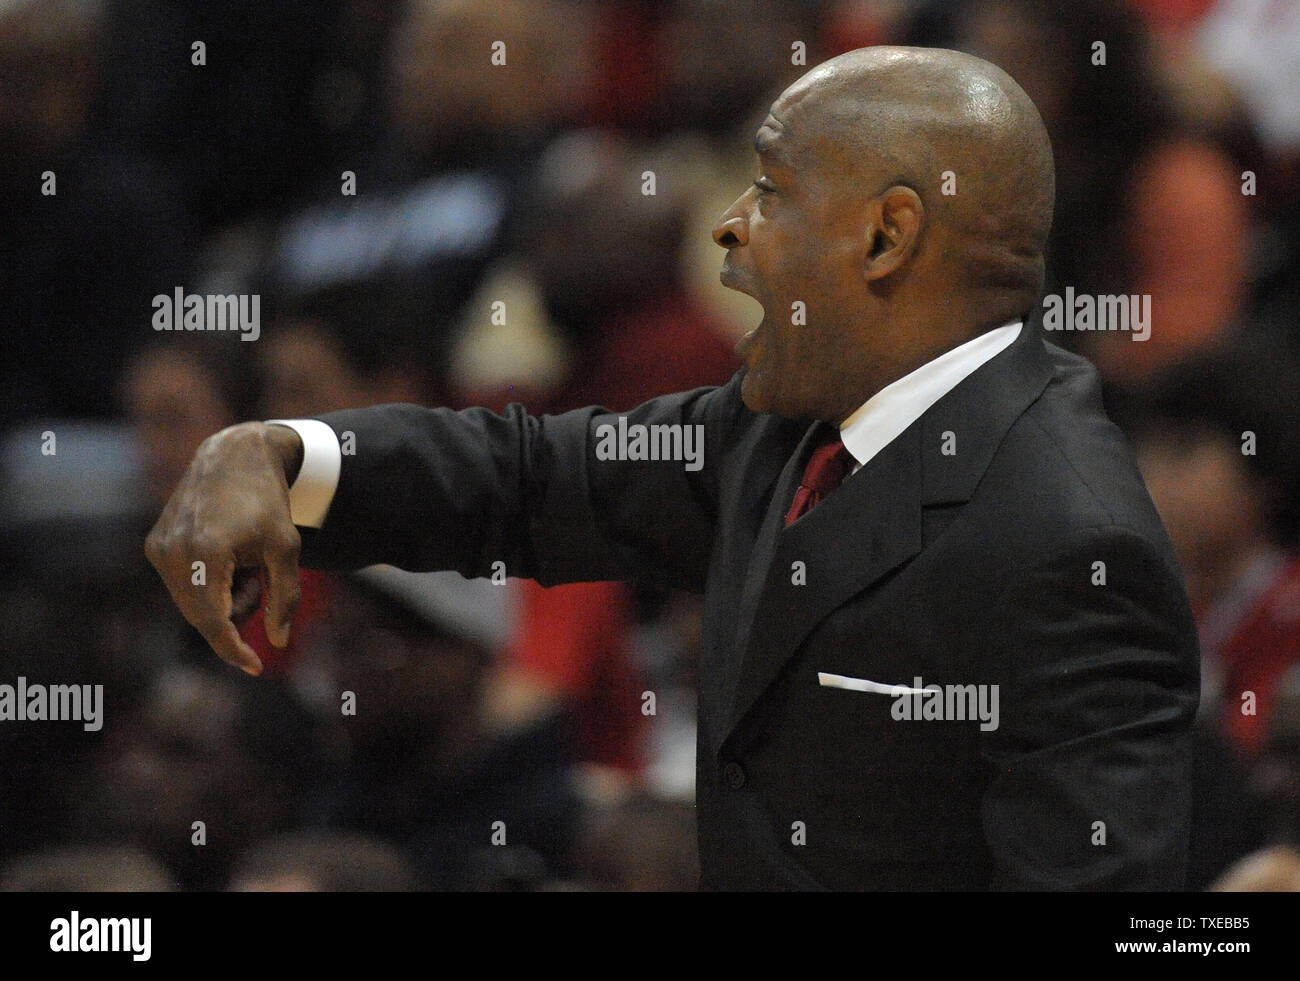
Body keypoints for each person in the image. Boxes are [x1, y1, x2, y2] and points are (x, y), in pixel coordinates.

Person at [146, 46, 1200, 890]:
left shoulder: (1068, 546)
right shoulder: (786, 424)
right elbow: (532, 477)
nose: (730, 227)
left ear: (887, 237)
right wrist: (283, 456)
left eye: (770, 190)